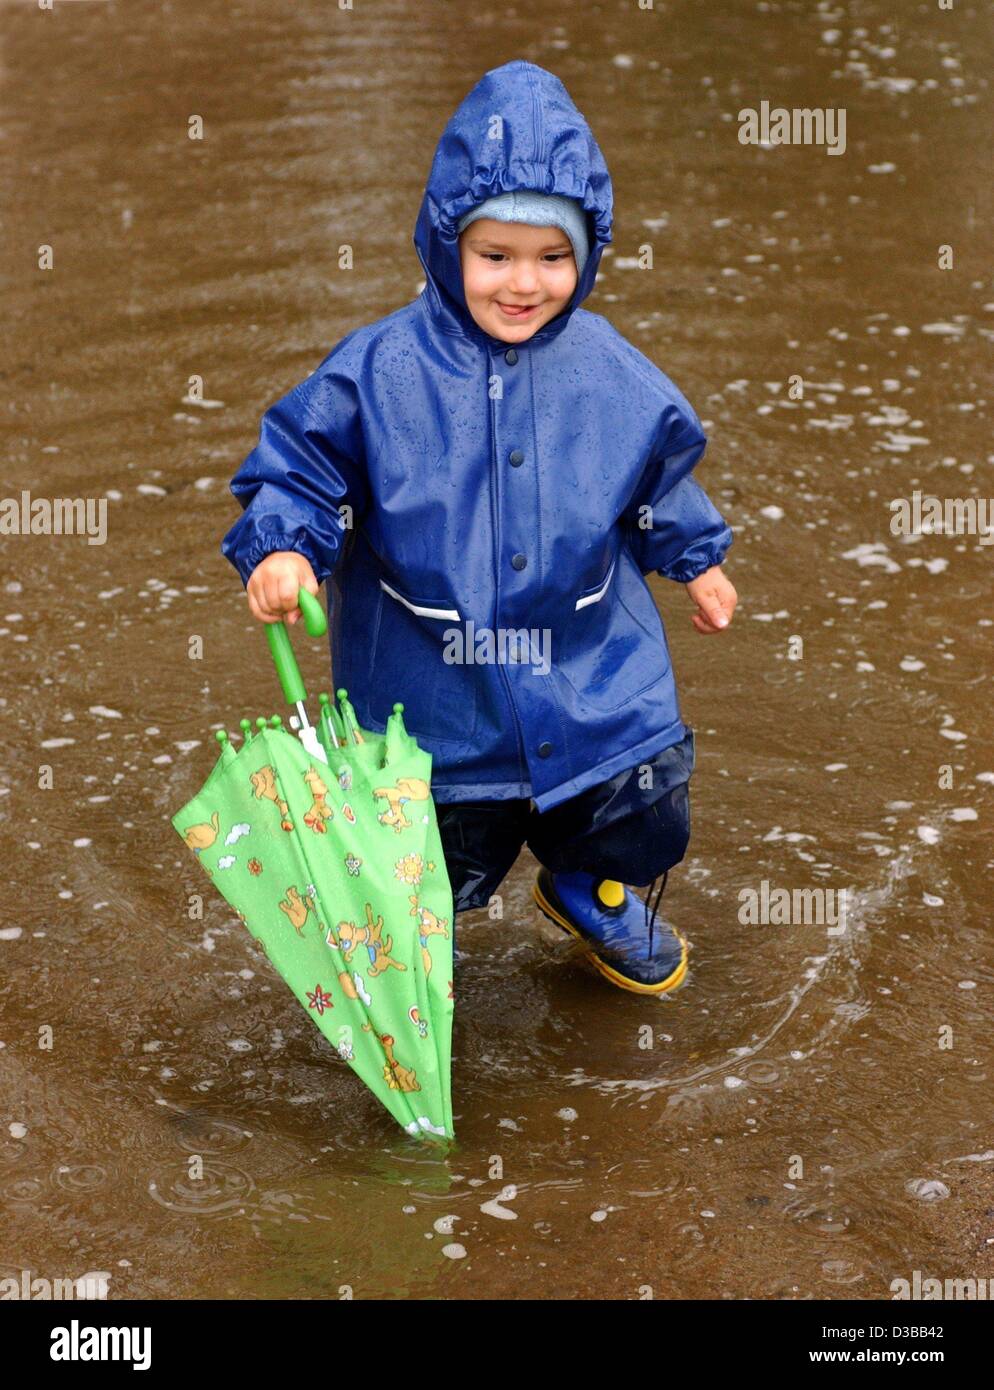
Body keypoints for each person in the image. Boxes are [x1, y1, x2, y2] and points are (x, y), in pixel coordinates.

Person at [220, 60, 736, 997]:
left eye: (552, 257)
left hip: (589, 671)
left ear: (588, 255)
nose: (523, 283)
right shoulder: (378, 373)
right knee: (434, 856)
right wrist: (286, 545)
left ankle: (591, 882)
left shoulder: (609, 369)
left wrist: (694, 556)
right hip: (433, 682)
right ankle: (409, 944)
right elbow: (304, 467)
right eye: (495, 255)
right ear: (447, 244)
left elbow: (655, 474)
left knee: (639, 800)